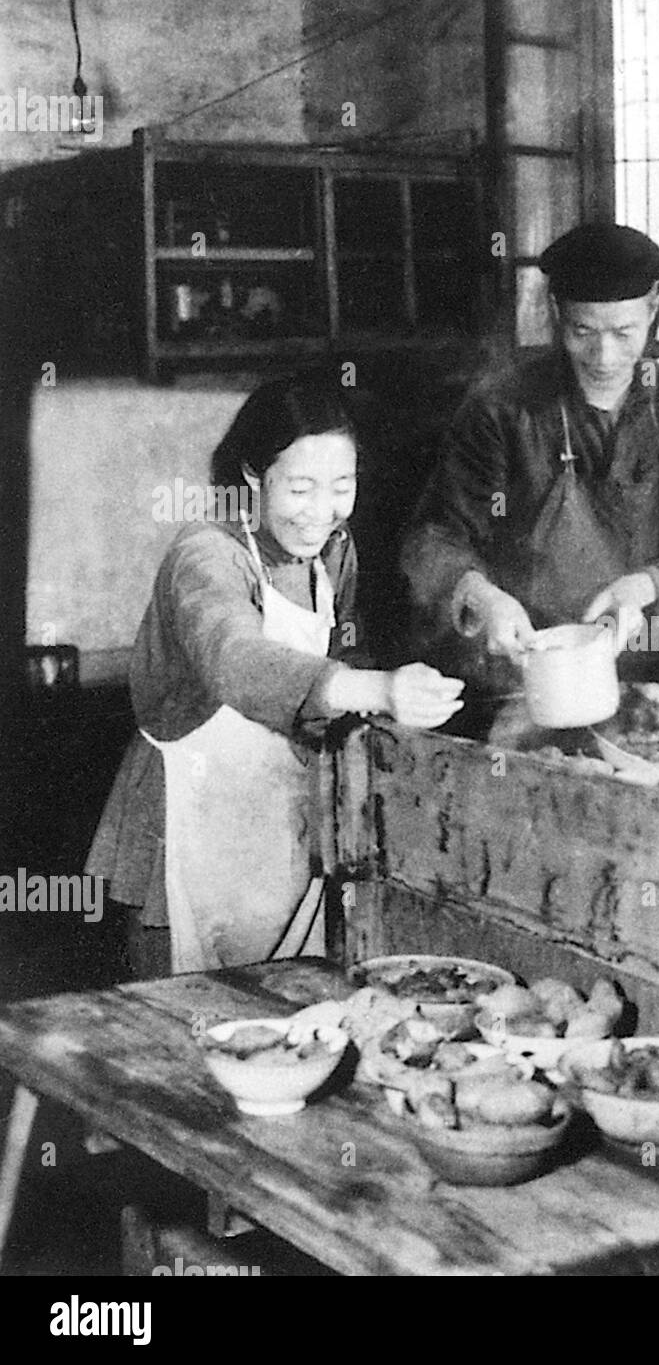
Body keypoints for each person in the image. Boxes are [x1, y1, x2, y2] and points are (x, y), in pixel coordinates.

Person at [87, 372, 465, 978]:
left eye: (343, 486)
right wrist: (378, 689)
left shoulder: (334, 554)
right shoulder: (206, 554)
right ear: (251, 476)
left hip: (282, 821)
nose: (322, 512)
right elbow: (235, 659)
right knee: (189, 1026)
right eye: (300, 488)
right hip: (189, 825)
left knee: (288, 1016)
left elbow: (345, 649)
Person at [401, 222, 659, 697]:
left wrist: (645, 587)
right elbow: (434, 537)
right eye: (582, 331)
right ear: (557, 312)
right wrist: (481, 596)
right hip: (525, 658)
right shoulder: (503, 408)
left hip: (649, 655)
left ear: (654, 308)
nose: (603, 355)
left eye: (624, 332)